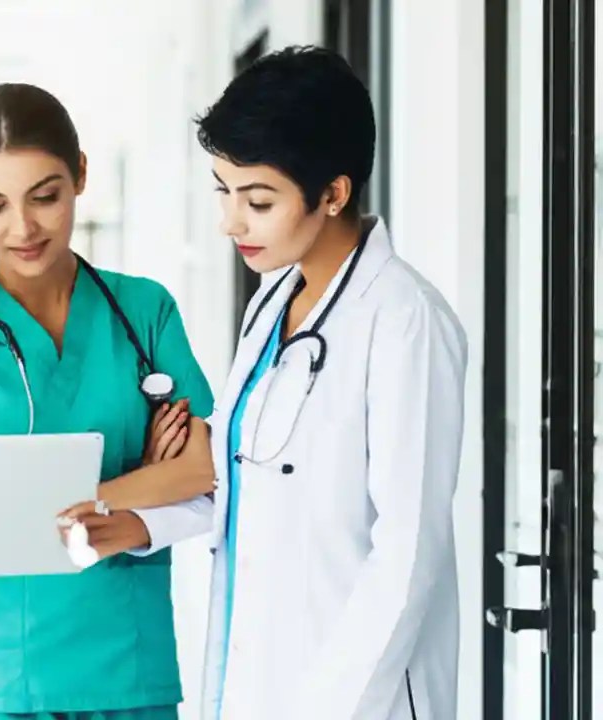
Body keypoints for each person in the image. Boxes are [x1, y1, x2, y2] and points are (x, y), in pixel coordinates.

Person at [91, 46, 468, 720]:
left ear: (333, 194)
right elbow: (253, 481)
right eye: (224, 192)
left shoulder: (405, 322)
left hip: (355, 697)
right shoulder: (271, 303)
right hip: (260, 677)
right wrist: (137, 526)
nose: (231, 222)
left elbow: (409, 555)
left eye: (257, 200)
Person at [0, 82, 216, 719]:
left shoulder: (144, 311)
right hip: (0, 672)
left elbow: (201, 470)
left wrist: (94, 496)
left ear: (81, 175)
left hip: (128, 662)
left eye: (45, 197)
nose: (22, 228)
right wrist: (143, 479)